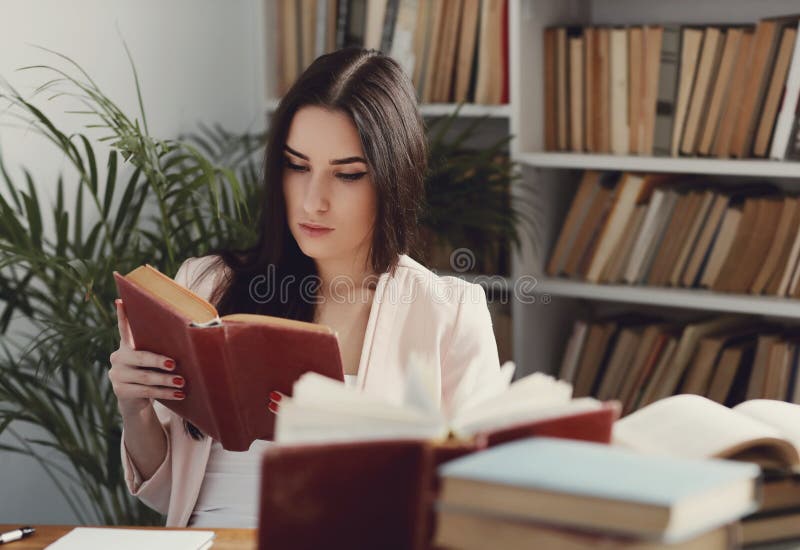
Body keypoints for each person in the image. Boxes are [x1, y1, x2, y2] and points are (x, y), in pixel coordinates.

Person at [108, 47, 501, 528]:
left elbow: (478, 509)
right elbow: (166, 495)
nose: (314, 200)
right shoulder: (206, 285)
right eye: (297, 166)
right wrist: (136, 409)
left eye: (347, 174)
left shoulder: (448, 313)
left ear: (392, 179)